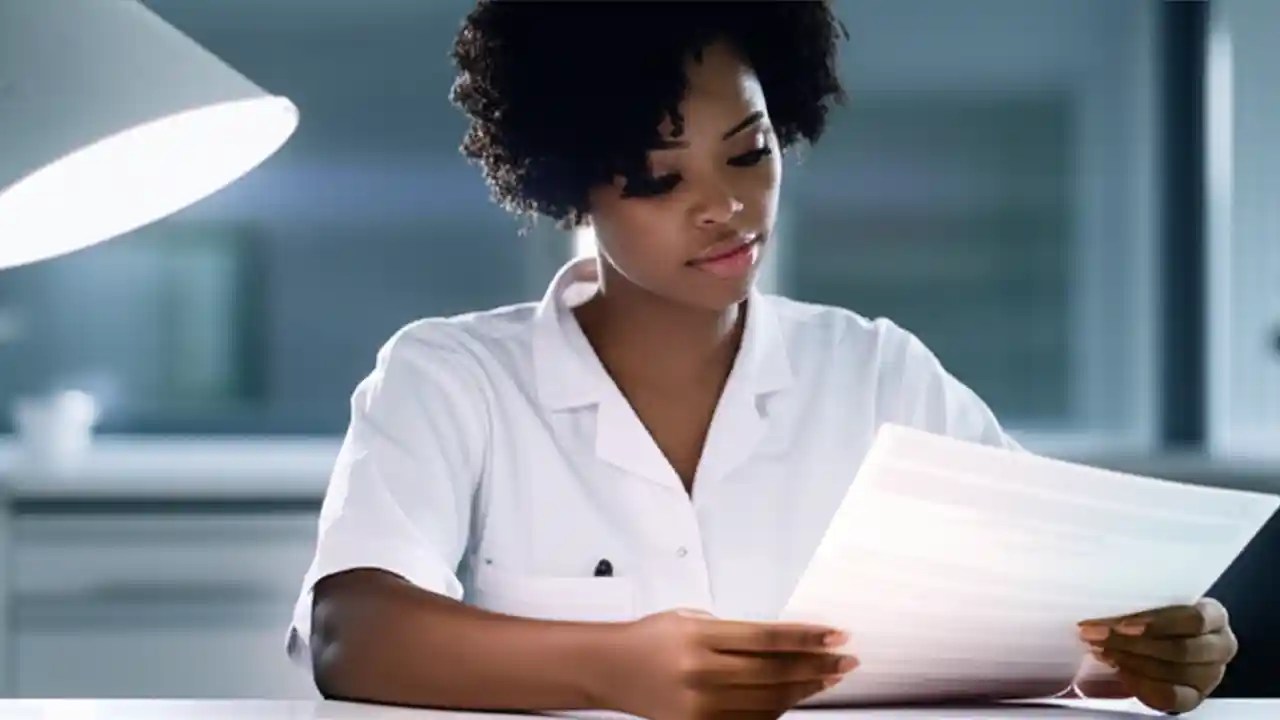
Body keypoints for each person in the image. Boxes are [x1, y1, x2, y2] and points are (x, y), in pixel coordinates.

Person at [288, 2, 1237, 717]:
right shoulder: (456, 377)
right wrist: (617, 664)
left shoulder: (877, 373)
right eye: (662, 179)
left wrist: (1137, 650)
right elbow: (351, 634)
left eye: (750, 153)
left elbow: (1057, 613)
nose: (726, 207)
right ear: (570, 184)